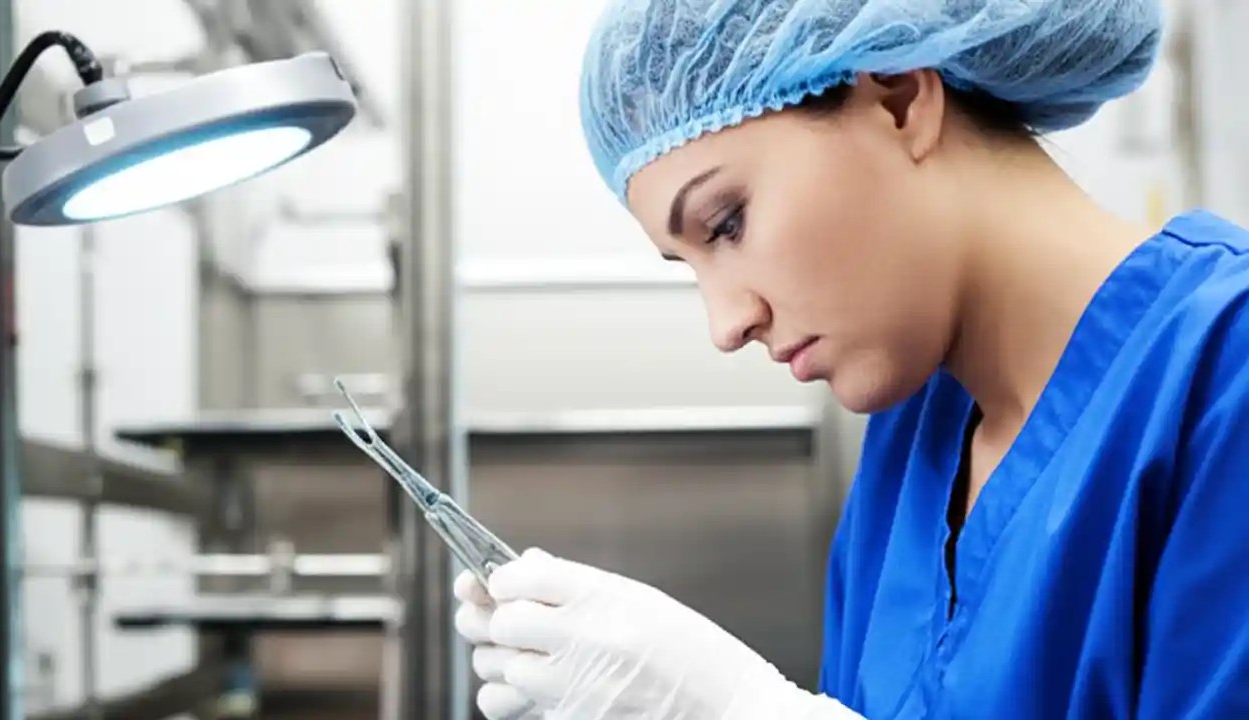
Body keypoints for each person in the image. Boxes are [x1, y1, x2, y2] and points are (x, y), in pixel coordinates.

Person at [455, 1, 1249, 717]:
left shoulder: (1223, 374)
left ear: (901, 99)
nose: (727, 324)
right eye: (689, 265)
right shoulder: (915, 439)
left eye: (726, 223)